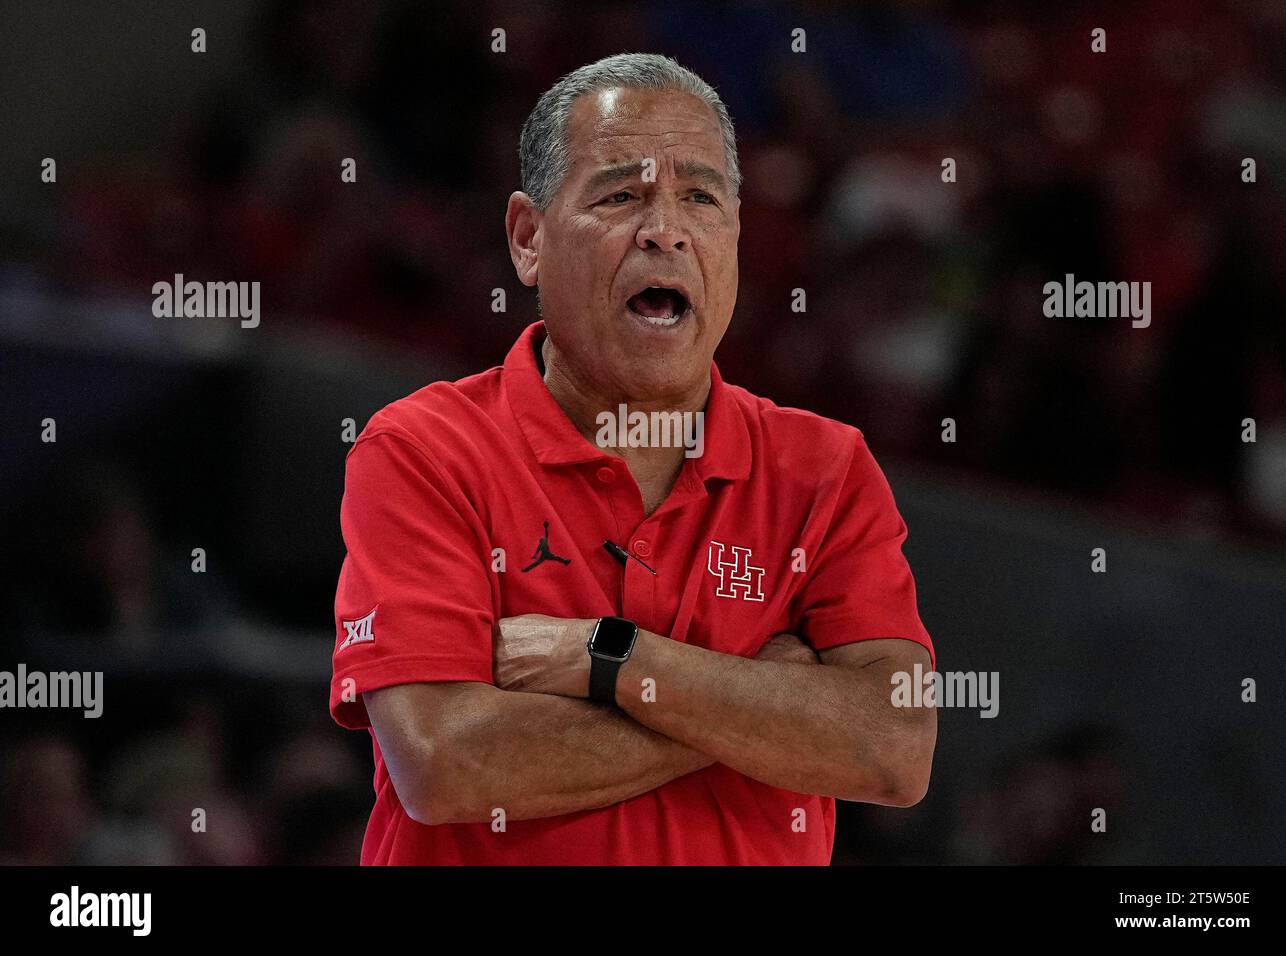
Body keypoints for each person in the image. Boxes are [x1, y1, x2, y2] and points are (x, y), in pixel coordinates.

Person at [329, 53, 935, 865]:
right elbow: (444, 763)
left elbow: (893, 748)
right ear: (528, 237)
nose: (666, 229)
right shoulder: (422, 450)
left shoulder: (825, 469)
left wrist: (608, 658)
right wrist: (760, 693)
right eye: (620, 195)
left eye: (701, 197)